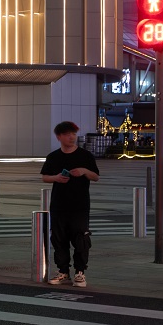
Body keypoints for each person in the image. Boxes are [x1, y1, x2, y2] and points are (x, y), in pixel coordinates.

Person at [39, 121, 99, 286]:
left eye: (73, 133)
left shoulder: (85, 156)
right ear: (59, 137)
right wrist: (56, 178)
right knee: (59, 239)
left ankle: (80, 272)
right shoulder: (53, 156)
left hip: (80, 206)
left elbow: (96, 176)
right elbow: (45, 176)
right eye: (67, 134)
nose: (72, 137)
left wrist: (84, 171)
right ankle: (63, 271)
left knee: (81, 239)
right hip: (58, 205)